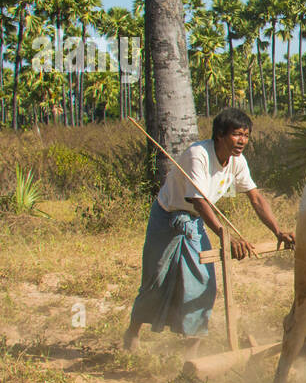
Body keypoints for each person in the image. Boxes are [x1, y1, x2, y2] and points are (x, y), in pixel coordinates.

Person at [123, 107, 294, 352]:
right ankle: (132, 334)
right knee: (156, 279)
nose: (242, 140)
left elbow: (255, 198)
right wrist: (226, 236)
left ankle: (191, 351)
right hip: (168, 216)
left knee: (205, 284)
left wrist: (278, 231)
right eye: (237, 134)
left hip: (194, 221)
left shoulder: (238, 162)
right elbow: (199, 200)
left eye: (246, 135)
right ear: (220, 135)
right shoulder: (198, 154)